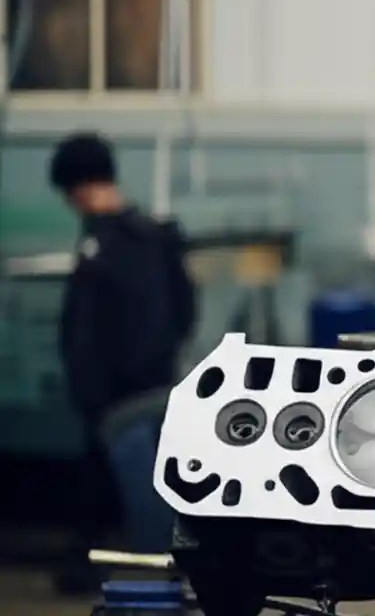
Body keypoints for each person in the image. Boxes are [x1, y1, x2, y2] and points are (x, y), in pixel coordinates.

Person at [49, 131, 196, 587]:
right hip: (158, 389)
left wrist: (87, 393)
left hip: (112, 400)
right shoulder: (158, 236)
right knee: (152, 489)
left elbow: (84, 334)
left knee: (108, 487)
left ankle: (114, 571)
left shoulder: (99, 249)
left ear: (76, 188)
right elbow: (186, 311)